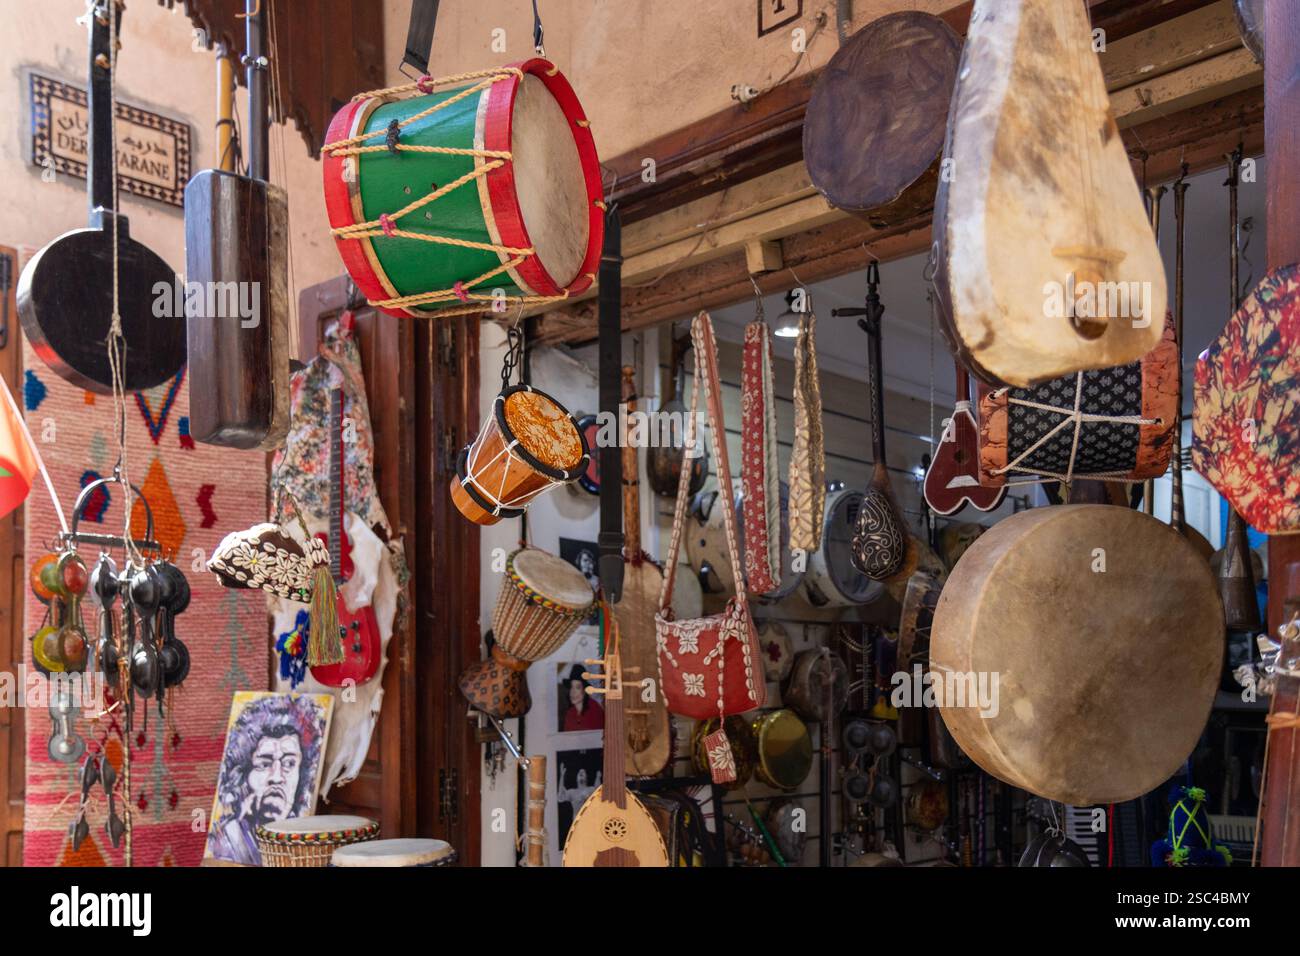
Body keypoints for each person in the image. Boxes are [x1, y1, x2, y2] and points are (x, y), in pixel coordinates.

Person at [207, 694, 325, 865]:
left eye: (289, 763)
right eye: (263, 764)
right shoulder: (227, 843)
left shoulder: (303, 842)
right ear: (242, 775)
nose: (276, 777)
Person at [561, 663, 603, 732]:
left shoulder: (595, 708)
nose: (573, 692)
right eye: (571, 687)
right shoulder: (570, 713)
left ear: (584, 690)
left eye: (577, 687)